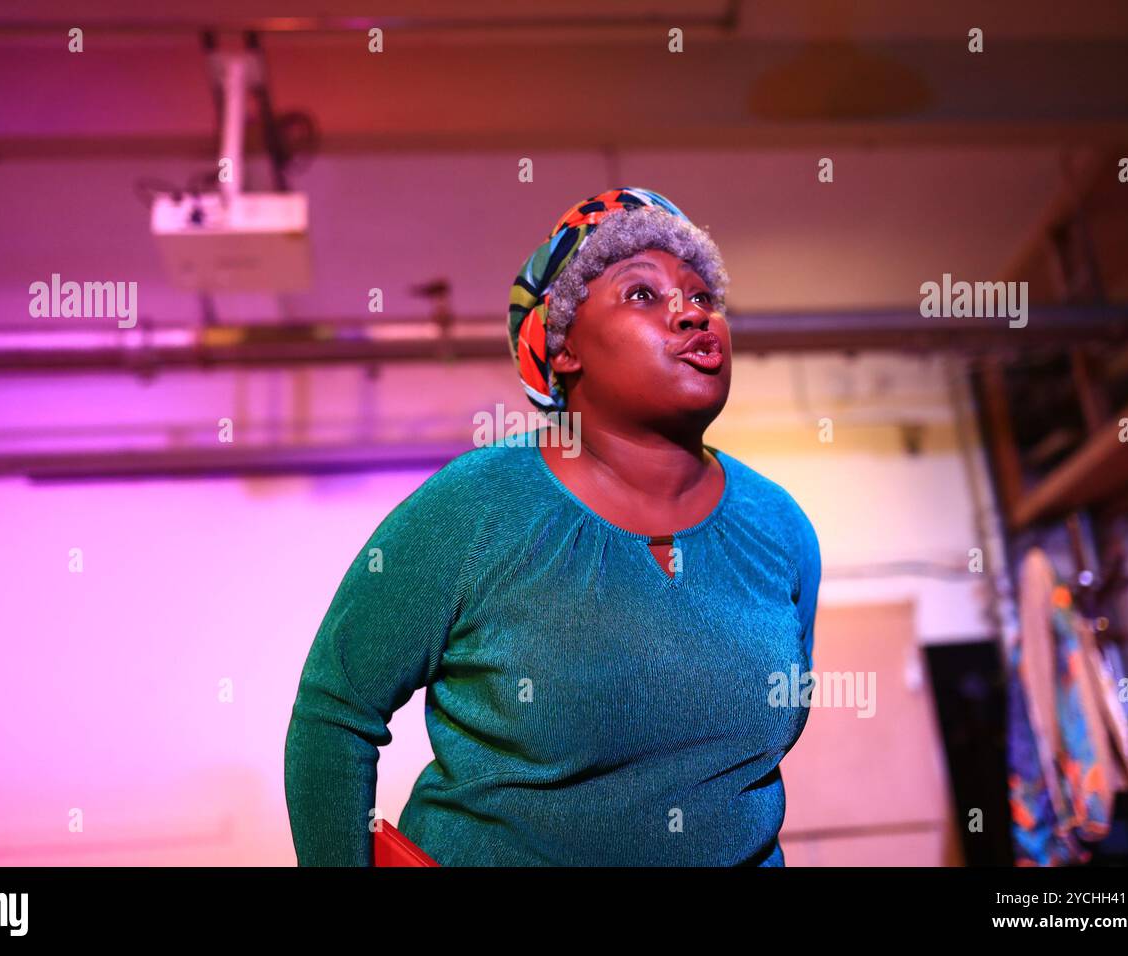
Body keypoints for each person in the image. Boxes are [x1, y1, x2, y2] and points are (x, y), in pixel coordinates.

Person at [284, 186, 822, 866]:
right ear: (562, 347)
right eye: (642, 295)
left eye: (702, 296)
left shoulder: (779, 526)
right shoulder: (475, 508)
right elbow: (334, 715)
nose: (691, 315)